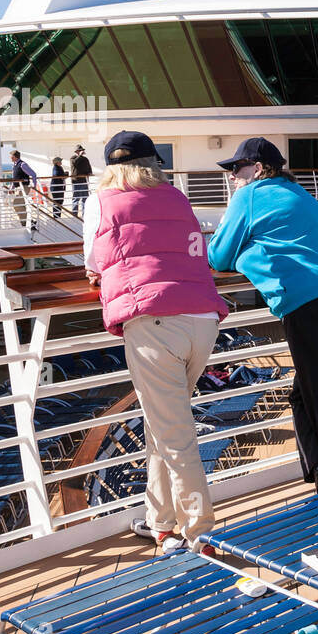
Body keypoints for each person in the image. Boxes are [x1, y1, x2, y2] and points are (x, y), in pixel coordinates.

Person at [83, 130, 230, 554]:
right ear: (154, 163)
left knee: (176, 436)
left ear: (111, 167)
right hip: (202, 320)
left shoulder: (100, 201)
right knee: (162, 427)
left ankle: (200, 532)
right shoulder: (177, 198)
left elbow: (92, 261)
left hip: (153, 323)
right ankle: (161, 522)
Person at [207, 137, 318, 494]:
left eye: (237, 168)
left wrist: (245, 251)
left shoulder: (248, 196)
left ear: (258, 169)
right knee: (306, 394)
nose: (232, 176)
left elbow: (217, 257)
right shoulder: (301, 194)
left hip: (306, 303)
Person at [9, 150, 38, 224]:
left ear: (15, 157)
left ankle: (26, 222)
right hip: (18, 188)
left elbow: (33, 174)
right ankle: (28, 221)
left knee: (16, 204)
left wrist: (34, 185)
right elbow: (14, 178)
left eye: (11, 156)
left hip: (23, 187)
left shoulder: (22, 164)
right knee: (20, 205)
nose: (10, 157)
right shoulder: (15, 165)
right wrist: (11, 188)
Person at [69, 144, 92, 214]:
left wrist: (90, 172)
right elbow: (75, 163)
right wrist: (80, 156)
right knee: (76, 198)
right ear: (76, 151)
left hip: (84, 180)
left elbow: (88, 166)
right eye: (80, 150)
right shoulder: (72, 158)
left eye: (82, 150)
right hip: (76, 181)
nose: (82, 151)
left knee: (85, 198)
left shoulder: (85, 159)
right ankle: (74, 214)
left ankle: (84, 214)